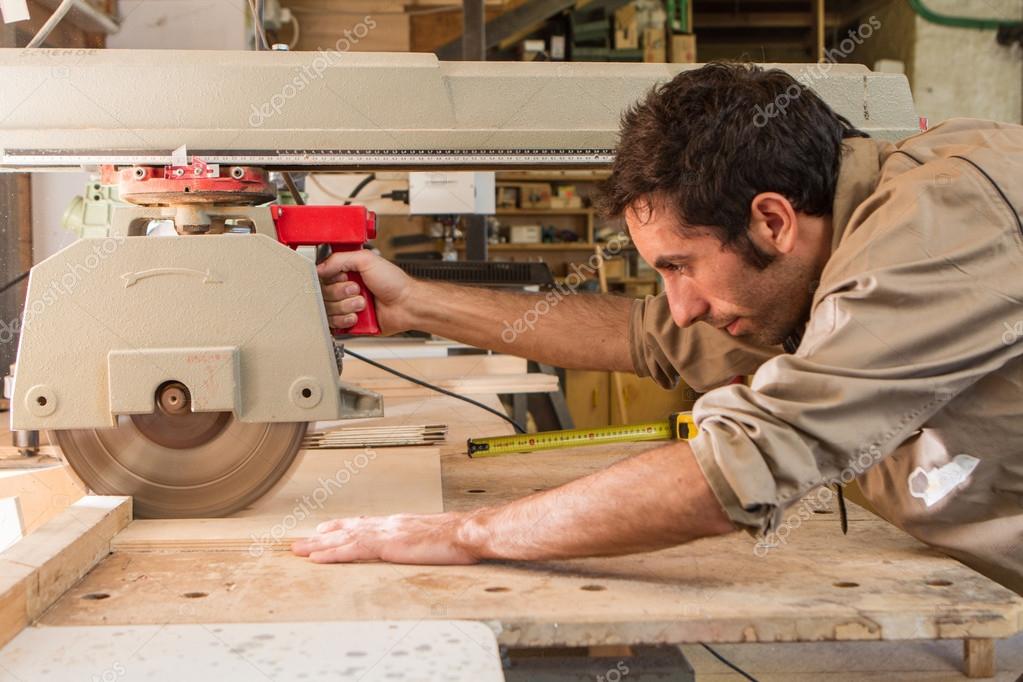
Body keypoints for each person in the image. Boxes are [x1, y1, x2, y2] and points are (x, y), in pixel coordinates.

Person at [292, 63, 1023, 594]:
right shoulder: (822, 247)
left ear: (771, 219)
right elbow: (648, 337)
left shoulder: (944, 223)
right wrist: (412, 305)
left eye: (681, 266)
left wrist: (463, 533)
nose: (680, 305)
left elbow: (748, 462)